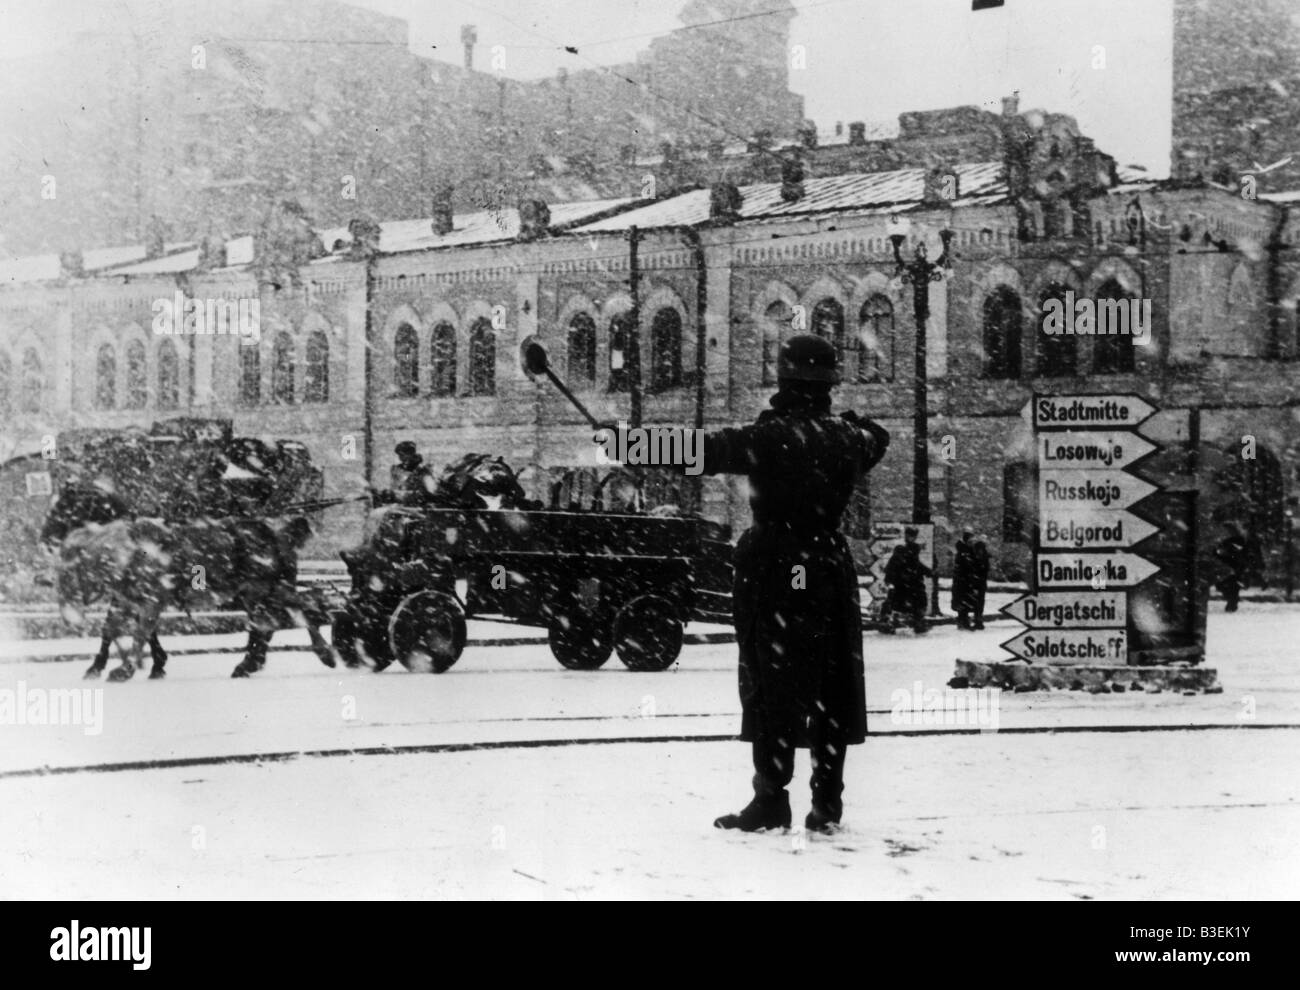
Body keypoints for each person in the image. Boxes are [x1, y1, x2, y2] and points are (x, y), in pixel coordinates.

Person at [638, 333, 890, 834]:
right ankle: (828, 806)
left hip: (775, 568)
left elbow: (703, 451)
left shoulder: (768, 438)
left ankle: (771, 799)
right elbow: (876, 437)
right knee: (830, 686)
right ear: (828, 381)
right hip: (826, 567)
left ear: (783, 378)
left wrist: (632, 443)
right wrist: (850, 423)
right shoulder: (846, 439)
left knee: (772, 684)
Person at [883, 527, 931, 634]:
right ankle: (890, 622)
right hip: (902, 582)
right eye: (910, 535)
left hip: (912, 581)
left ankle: (918, 622)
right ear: (906, 535)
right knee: (896, 602)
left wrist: (927, 571)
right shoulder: (901, 549)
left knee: (919, 601)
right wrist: (890, 578)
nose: (912, 538)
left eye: (913, 536)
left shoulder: (913, 549)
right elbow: (894, 564)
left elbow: (916, 564)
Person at [389, 441, 436, 506]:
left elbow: (431, 490)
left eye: (403, 455)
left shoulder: (422, 470)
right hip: (400, 502)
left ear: (411, 454)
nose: (401, 459)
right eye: (399, 456)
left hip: (417, 504)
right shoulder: (397, 469)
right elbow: (394, 487)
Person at [1216, 524, 1247, 612]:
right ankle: (1232, 603)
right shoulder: (1230, 541)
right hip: (1231, 564)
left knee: (1232, 585)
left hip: (1234, 565)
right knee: (1229, 585)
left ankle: (1232, 604)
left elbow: (1237, 551)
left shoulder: (1236, 540)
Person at [952, 531, 976, 629]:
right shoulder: (963, 552)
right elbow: (964, 566)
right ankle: (962, 620)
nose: (972, 543)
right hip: (963, 581)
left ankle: (963, 619)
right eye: (970, 541)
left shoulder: (967, 551)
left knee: (965, 601)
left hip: (965, 580)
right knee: (963, 601)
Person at [970, 535, 991, 630]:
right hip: (980, 582)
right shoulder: (983, 554)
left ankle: (977, 619)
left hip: (977, 581)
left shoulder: (976, 553)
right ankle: (978, 620)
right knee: (980, 602)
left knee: (977, 602)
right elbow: (985, 568)